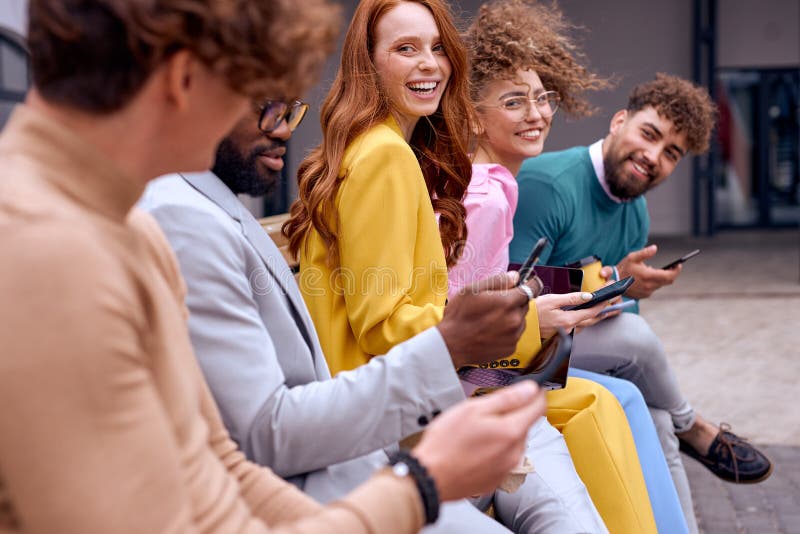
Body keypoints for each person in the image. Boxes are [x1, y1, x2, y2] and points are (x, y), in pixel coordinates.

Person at [0, 1, 547, 532]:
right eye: (260, 95)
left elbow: (220, 465)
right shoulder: (54, 250)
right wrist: (420, 487)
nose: (282, 126)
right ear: (184, 78)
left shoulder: (123, 219)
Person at [286, 1, 653, 532]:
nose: (430, 64)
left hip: (393, 405)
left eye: (437, 48)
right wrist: (522, 320)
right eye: (405, 49)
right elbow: (383, 325)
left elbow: (395, 305)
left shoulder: (383, 149)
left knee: (606, 404)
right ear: (369, 64)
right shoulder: (387, 156)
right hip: (388, 423)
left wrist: (504, 307)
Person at [141, 95, 550, 531]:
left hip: (345, 459)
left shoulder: (207, 201)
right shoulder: (184, 216)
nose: (283, 128)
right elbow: (265, 435)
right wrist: (415, 484)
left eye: (290, 109)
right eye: (267, 105)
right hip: (329, 479)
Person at [455, 2, 690, 532]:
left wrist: (604, 283)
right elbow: (464, 330)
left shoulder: (505, 186)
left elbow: (502, 296)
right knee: (633, 353)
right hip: (482, 395)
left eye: (542, 98)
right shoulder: (495, 193)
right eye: (516, 102)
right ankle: (693, 426)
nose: (537, 114)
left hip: (502, 383)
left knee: (642, 401)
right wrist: (569, 306)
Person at [510, 73, 774, 524]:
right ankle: (695, 425)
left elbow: (611, 327)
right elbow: (512, 293)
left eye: (672, 153)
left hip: (571, 346)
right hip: (511, 356)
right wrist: (611, 277)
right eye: (648, 134)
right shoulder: (549, 185)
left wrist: (623, 289)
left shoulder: (636, 211)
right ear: (619, 122)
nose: (653, 156)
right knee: (634, 336)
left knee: (656, 420)